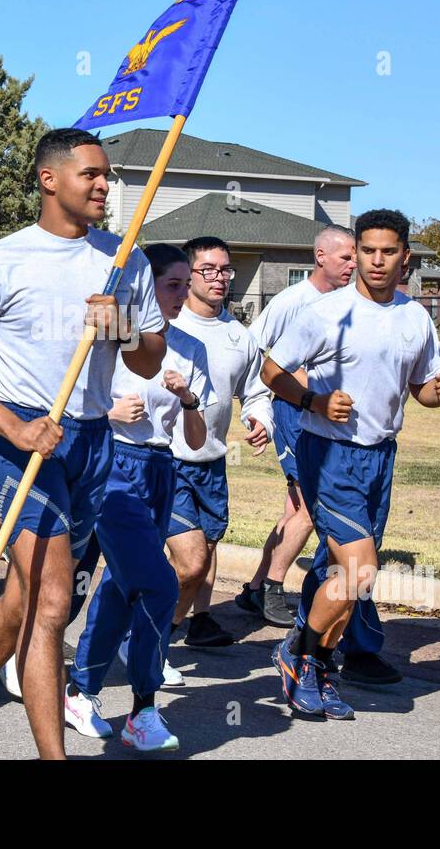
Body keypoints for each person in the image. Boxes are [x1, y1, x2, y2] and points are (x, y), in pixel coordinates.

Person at [0, 127, 165, 760]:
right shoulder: (2, 260)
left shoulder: (124, 260)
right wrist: (13, 427)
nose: (105, 185)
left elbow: (148, 359)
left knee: (29, 596)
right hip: (22, 439)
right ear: (49, 179)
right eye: (92, 175)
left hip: (91, 441)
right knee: (54, 601)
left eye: (107, 176)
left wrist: (122, 326)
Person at [263, 210, 440, 718]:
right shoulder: (328, 311)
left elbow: (420, 387)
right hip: (328, 453)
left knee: (345, 575)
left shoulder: (415, 316)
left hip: (380, 456)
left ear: (404, 257)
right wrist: (315, 403)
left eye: (387, 251)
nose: (375, 260)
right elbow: (271, 371)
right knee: (359, 570)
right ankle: (298, 654)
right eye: (367, 250)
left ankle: (321, 670)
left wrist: (439, 394)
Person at [65, 243, 210, 752]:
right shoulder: (118, 337)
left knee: (122, 586)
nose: (180, 293)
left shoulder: (192, 347)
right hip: (113, 465)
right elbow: (71, 405)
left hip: (161, 468)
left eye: (184, 283)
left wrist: (189, 399)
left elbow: (195, 439)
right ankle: (143, 709)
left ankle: (80, 689)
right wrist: (109, 416)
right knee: (159, 585)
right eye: (171, 284)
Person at [239, 226, 356, 627]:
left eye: (355, 257)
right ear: (320, 256)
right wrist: (256, 412)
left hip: (322, 415)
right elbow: (253, 350)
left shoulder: (346, 302)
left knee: (293, 509)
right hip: (291, 412)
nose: (353, 264)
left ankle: (253, 589)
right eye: (346, 257)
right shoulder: (293, 301)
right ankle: (273, 587)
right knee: (310, 508)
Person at [166, 237, 273, 652]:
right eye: (208, 269)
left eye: (225, 270)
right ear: (189, 274)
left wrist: (258, 418)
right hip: (167, 457)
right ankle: (156, 630)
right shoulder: (168, 326)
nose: (219, 278)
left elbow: (257, 390)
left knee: (206, 548)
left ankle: (198, 620)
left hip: (211, 460)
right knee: (190, 559)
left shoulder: (238, 335)